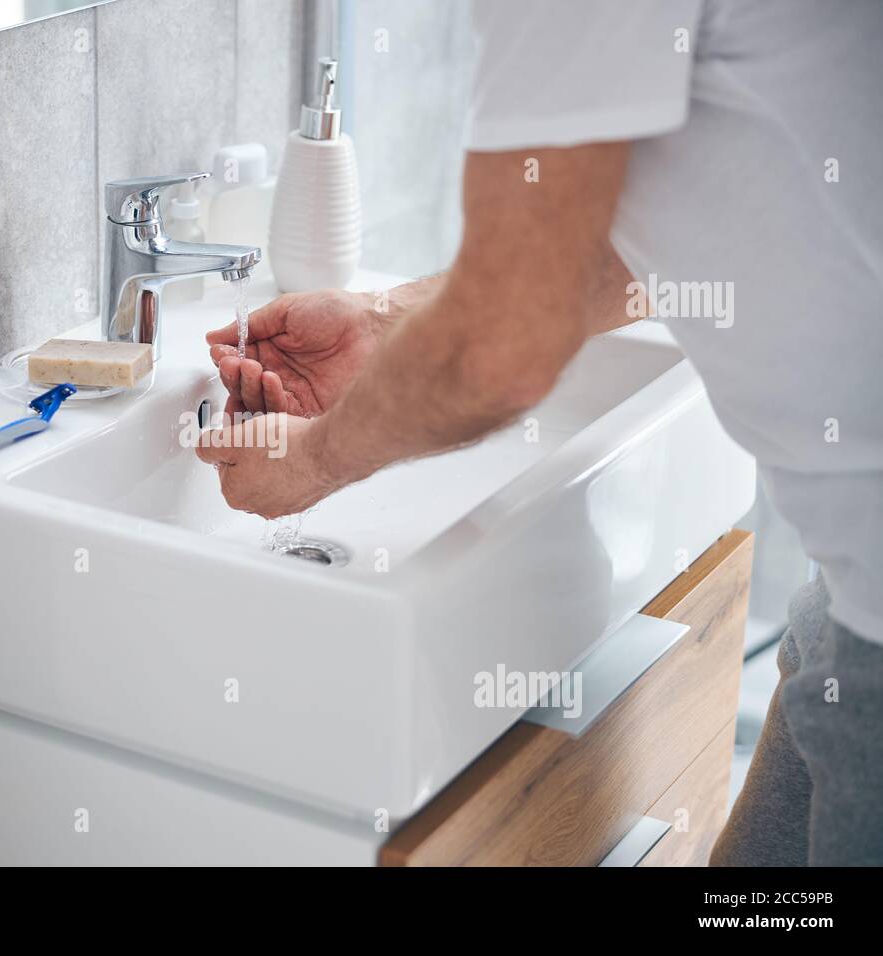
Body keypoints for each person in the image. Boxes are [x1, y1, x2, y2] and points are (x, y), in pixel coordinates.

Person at [196, 0, 883, 865]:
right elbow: (683, 234)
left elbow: (500, 353)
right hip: (854, 603)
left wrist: (313, 467)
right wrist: (384, 322)